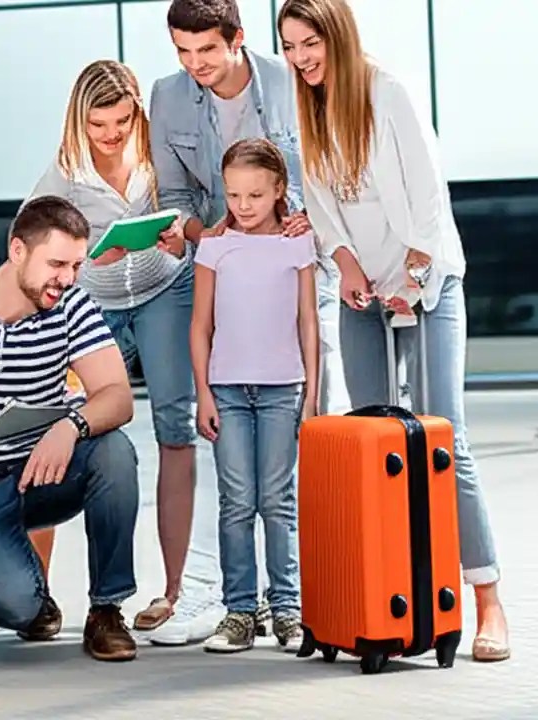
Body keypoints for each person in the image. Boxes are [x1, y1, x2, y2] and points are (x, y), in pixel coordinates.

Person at [277, 0, 511, 662]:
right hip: (363, 290)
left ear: (337, 35)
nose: (300, 58)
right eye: (290, 47)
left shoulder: (389, 92)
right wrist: (348, 268)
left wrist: (412, 273)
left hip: (429, 282)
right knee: (372, 437)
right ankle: (385, 594)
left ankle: (488, 600)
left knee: (445, 436)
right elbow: (323, 204)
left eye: (309, 43)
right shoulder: (309, 105)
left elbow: (429, 194)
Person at [144, 0, 348, 646]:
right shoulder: (169, 99)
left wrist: (307, 222)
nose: (194, 65)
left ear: (237, 39)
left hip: (297, 282)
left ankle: (304, 600)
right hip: (221, 273)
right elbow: (175, 199)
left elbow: (324, 171)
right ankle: (233, 602)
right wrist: (218, 238)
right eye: (182, 52)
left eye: (206, 49)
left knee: (298, 473)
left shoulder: (290, 82)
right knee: (236, 489)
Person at [0, 195, 142, 662]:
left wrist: (70, 426)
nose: (67, 278)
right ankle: (33, 599)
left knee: (114, 453)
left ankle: (106, 610)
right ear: (17, 250)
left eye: (76, 265)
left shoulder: (71, 307)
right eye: (57, 263)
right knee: (19, 611)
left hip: (43, 473)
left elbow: (118, 396)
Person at [22, 59, 203, 623]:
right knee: (60, 427)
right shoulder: (64, 171)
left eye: (122, 121)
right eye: (99, 124)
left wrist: (180, 241)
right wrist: (93, 255)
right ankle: (38, 595)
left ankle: (174, 592)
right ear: (81, 119)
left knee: (177, 427)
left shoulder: (157, 153)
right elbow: (30, 240)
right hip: (94, 306)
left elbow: (191, 214)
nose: (111, 135)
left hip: (163, 292)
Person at [189, 138, 317, 652]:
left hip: (284, 389)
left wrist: (311, 393)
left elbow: (308, 321)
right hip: (228, 390)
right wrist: (203, 393)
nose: (243, 206)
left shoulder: (297, 246)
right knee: (236, 502)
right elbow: (200, 326)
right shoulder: (214, 247)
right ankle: (241, 611)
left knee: (278, 502)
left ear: (279, 190)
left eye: (255, 196)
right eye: (235, 195)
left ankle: (288, 608)